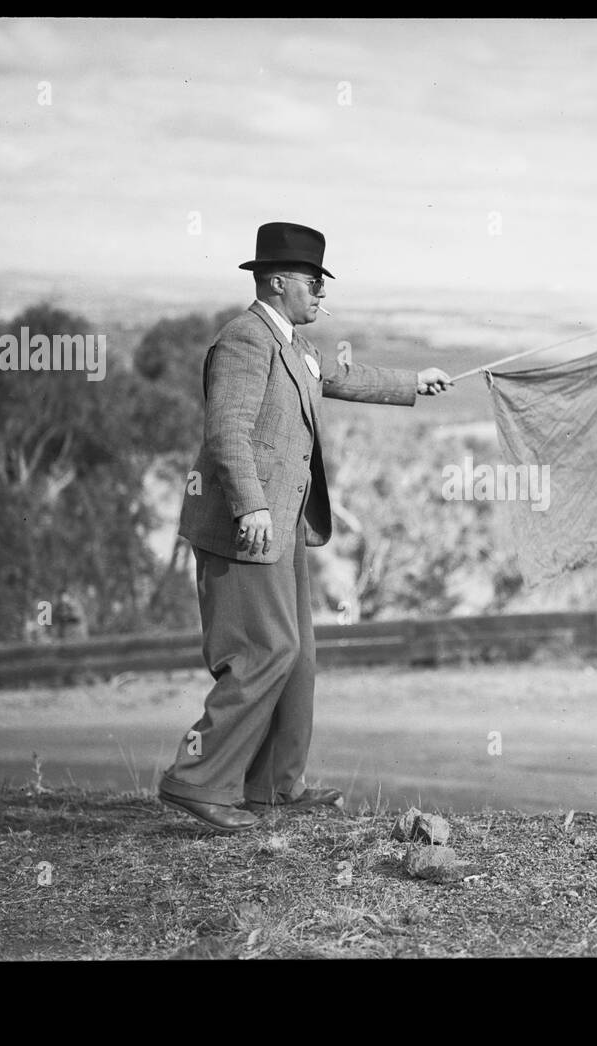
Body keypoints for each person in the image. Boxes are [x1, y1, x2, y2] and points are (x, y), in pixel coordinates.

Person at [159, 221, 452, 832]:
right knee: (265, 650)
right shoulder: (245, 340)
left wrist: (413, 383)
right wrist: (252, 507)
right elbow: (226, 433)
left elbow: (341, 378)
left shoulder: (293, 345)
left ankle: (272, 787)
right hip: (248, 527)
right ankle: (197, 780)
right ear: (277, 281)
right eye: (314, 281)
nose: (322, 292)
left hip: (282, 524)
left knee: (298, 657)